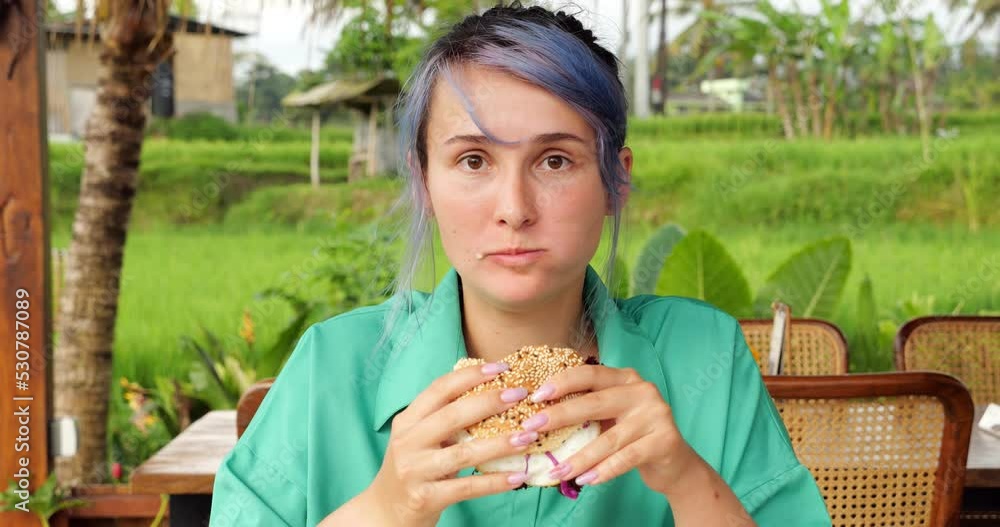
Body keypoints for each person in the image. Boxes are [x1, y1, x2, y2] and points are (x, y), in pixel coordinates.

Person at [209, 3, 832, 526]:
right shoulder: (330, 369)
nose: (514, 209)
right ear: (424, 181)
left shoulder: (705, 356)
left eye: (555, 161)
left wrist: (686, 478)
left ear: (616, 180)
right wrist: (386, 505)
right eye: (474, 161)